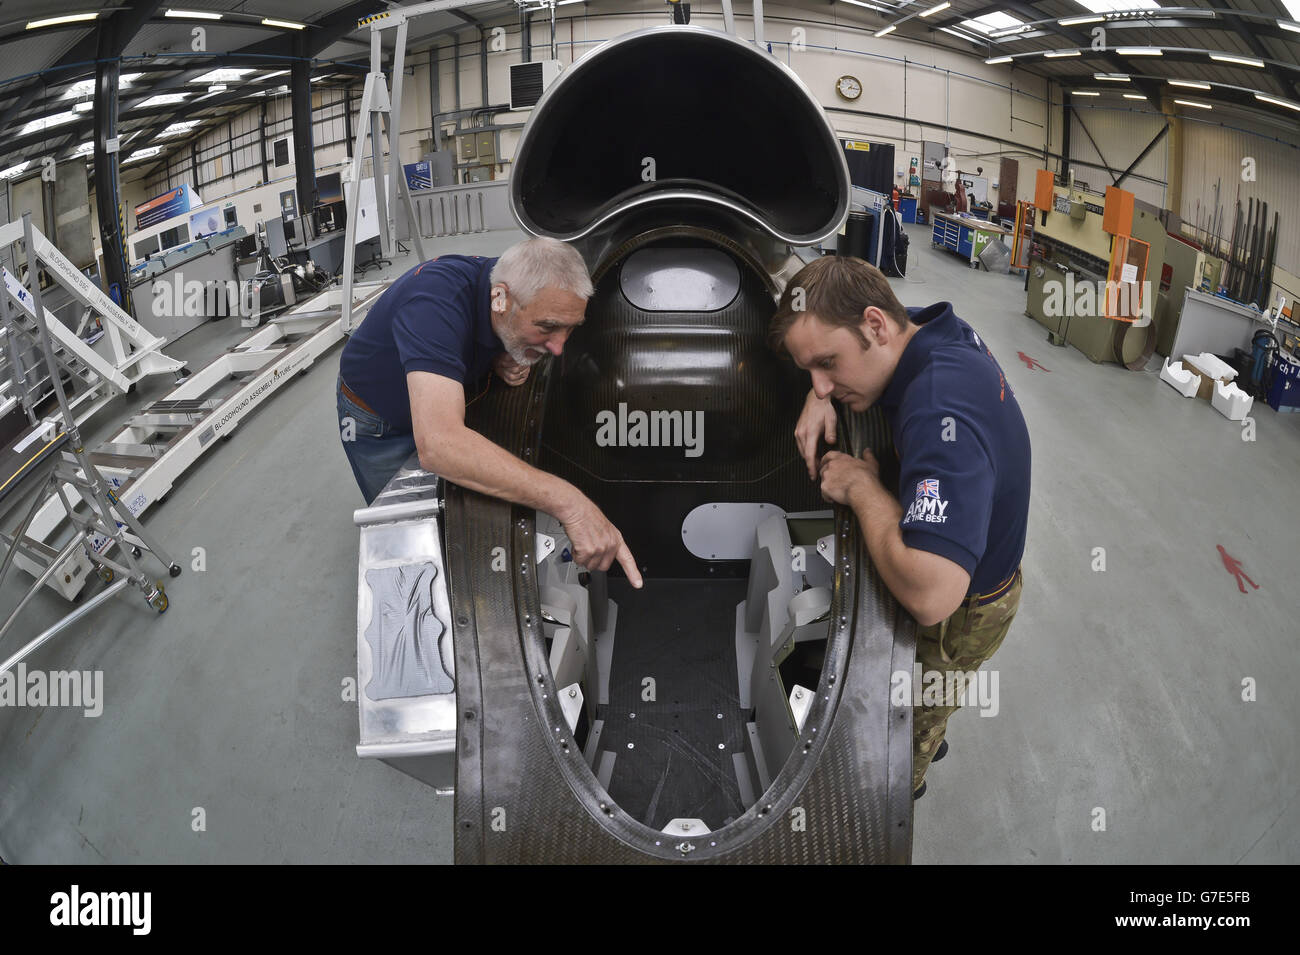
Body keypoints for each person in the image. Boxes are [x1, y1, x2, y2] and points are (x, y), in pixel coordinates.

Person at [769, 255, 1030, 798]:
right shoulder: (924, 332)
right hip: (972, 550)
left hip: (968, 607)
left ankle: (910, 768)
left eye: (827, 364)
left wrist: (864, 489)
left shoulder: (940, 410)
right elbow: (850, 334)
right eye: (809, 371)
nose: (820, 385)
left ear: (874, 325)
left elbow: (933, 596)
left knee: (905, 729)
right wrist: (819, 393)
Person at [336, 237, 642, 586]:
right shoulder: (433, 302)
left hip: (445, 398)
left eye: (569, 328)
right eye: (546, 327)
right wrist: (571, 503)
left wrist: (502, 353)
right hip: (379, 422)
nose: (559, 347)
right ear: (500, 299)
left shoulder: (518, 280)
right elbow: (439, 445)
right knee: (407, 532)